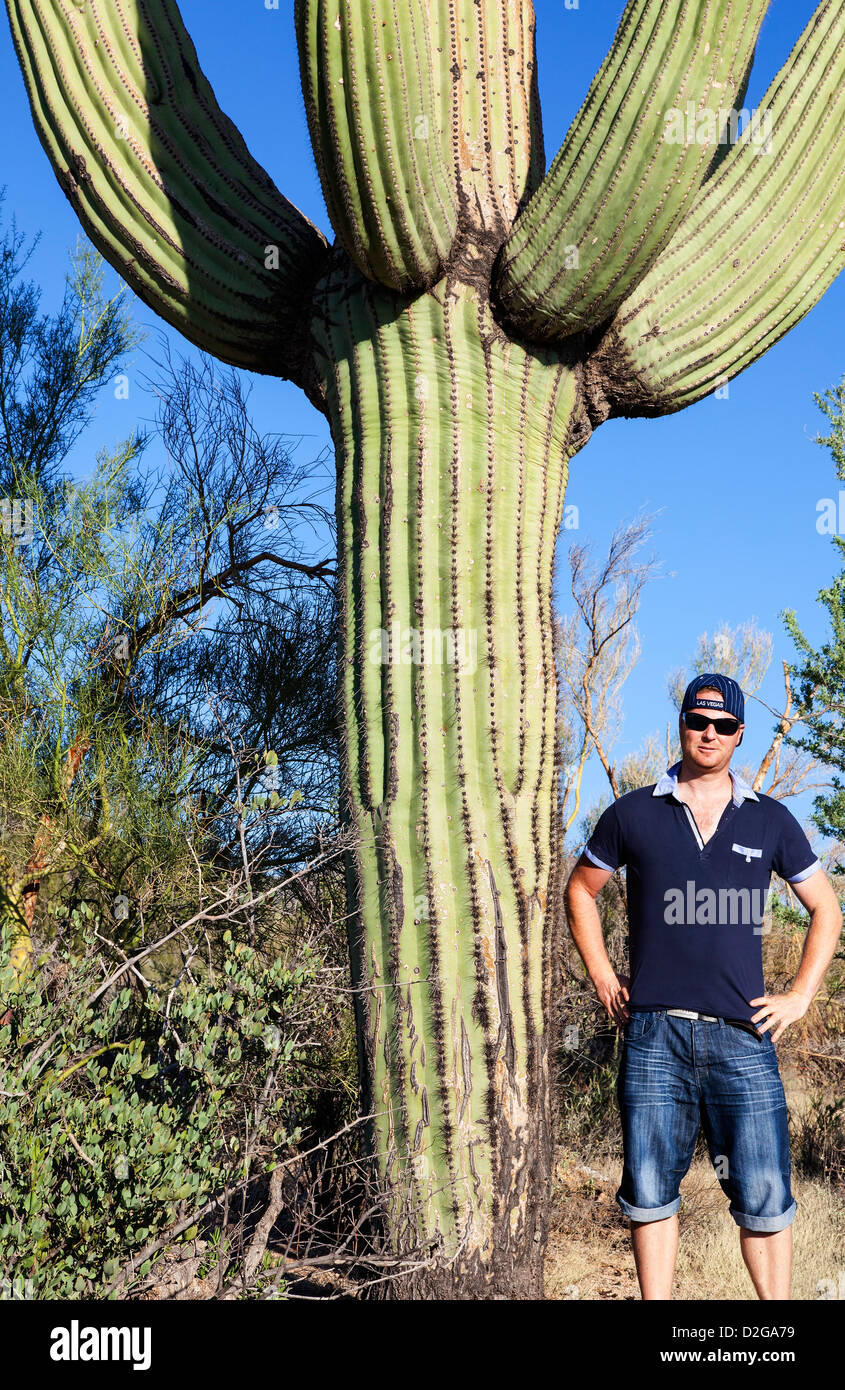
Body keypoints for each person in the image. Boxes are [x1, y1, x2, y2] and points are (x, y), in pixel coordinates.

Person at [564, 673, 842, 1300]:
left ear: (740, 735)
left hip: (743, 1035)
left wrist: (800, 996)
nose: (708, 733)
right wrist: (604, 976)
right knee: (651, 1190)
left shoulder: (771, 820)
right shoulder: (633, 812)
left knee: (765, 1191)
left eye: (722, 725)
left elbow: (827, 909)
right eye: (698, 720)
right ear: (682, 724)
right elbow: (580, 889)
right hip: (654, 1034)